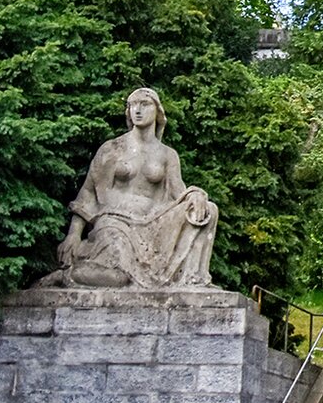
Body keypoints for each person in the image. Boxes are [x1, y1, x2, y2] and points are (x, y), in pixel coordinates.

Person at [39, 87, 219, 289]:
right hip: (114, 222)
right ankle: (66, 276)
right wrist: (74, 233)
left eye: (144, 104)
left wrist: (195, 195)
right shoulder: (112, 148)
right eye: (132, 105)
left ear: (158, 111)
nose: (137, 110)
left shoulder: (167, 155)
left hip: (153, 224)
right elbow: (88, 192)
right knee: (119, 278)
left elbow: (179, 195)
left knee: (208, 210)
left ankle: (192, 279)